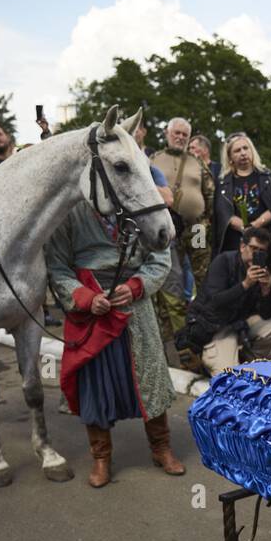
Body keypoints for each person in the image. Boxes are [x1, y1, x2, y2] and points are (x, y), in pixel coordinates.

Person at [44, 202, 185, 486]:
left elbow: (160, 256)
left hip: (135, 304)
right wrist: (84, 297)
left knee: (149, 375)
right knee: (93, 383)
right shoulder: (69, 212)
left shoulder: (140, 203)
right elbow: (57, 266)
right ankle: (101, 457)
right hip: (91, 310)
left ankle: (161, 448)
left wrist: (135, 286)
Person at [150, 117, 215, 357]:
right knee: (170, 278)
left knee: (203, 275)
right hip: (167, 227)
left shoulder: (197, 162)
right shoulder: (154, 160)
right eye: (176, 133)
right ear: (167, 133)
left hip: (197, 228)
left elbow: (210, 193)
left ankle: (205, 327)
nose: (180, 137)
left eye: (184, 135)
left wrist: (205, 221)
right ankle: (172, 334)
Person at [185, 226, 271, 376]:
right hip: (215, 326)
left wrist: (266, 291)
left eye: (262, 251)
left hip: (239, 323)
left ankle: (246, 359)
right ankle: (205, 358)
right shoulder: (224, 261)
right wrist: (245, 285)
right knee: (227, 377)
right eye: (253, 248)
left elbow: (266, 314)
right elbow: (215, 301)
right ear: (242, 246)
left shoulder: (261, 270)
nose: (257, 254)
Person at [211, 132, 271, 256]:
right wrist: (245, 228)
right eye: (237, 150)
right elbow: (222, 212)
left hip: (263, 240)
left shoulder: (266, 176)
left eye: (246, 148)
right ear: (230, 157)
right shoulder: (223, 182)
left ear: (252, 151)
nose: (243, 153)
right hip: (233, 243)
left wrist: (255, 225)